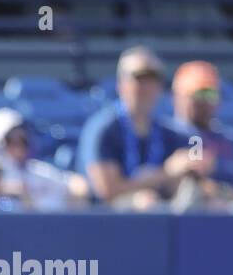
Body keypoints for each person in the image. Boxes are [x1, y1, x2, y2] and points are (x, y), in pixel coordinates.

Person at [76, 47, 195, 211]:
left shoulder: (169, 133)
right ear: (121, 84)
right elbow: (107, 192)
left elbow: (181, 182)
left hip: (162, 216)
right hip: (108, 222)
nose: (145, 87)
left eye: (153, 79)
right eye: (138, 79)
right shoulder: (103, 128)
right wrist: (165, 173)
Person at [166, 60, 233, 209]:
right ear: (176, 96)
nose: (203, 101)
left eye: (209, 93)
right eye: (196, 94)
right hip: (176, 218)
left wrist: (216, 167)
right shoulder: (164, 134)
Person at [0, 107, 89, 211]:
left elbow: (74, 184)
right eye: (10, 139)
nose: (18, 145)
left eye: (23, 139)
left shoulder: (38, 169)